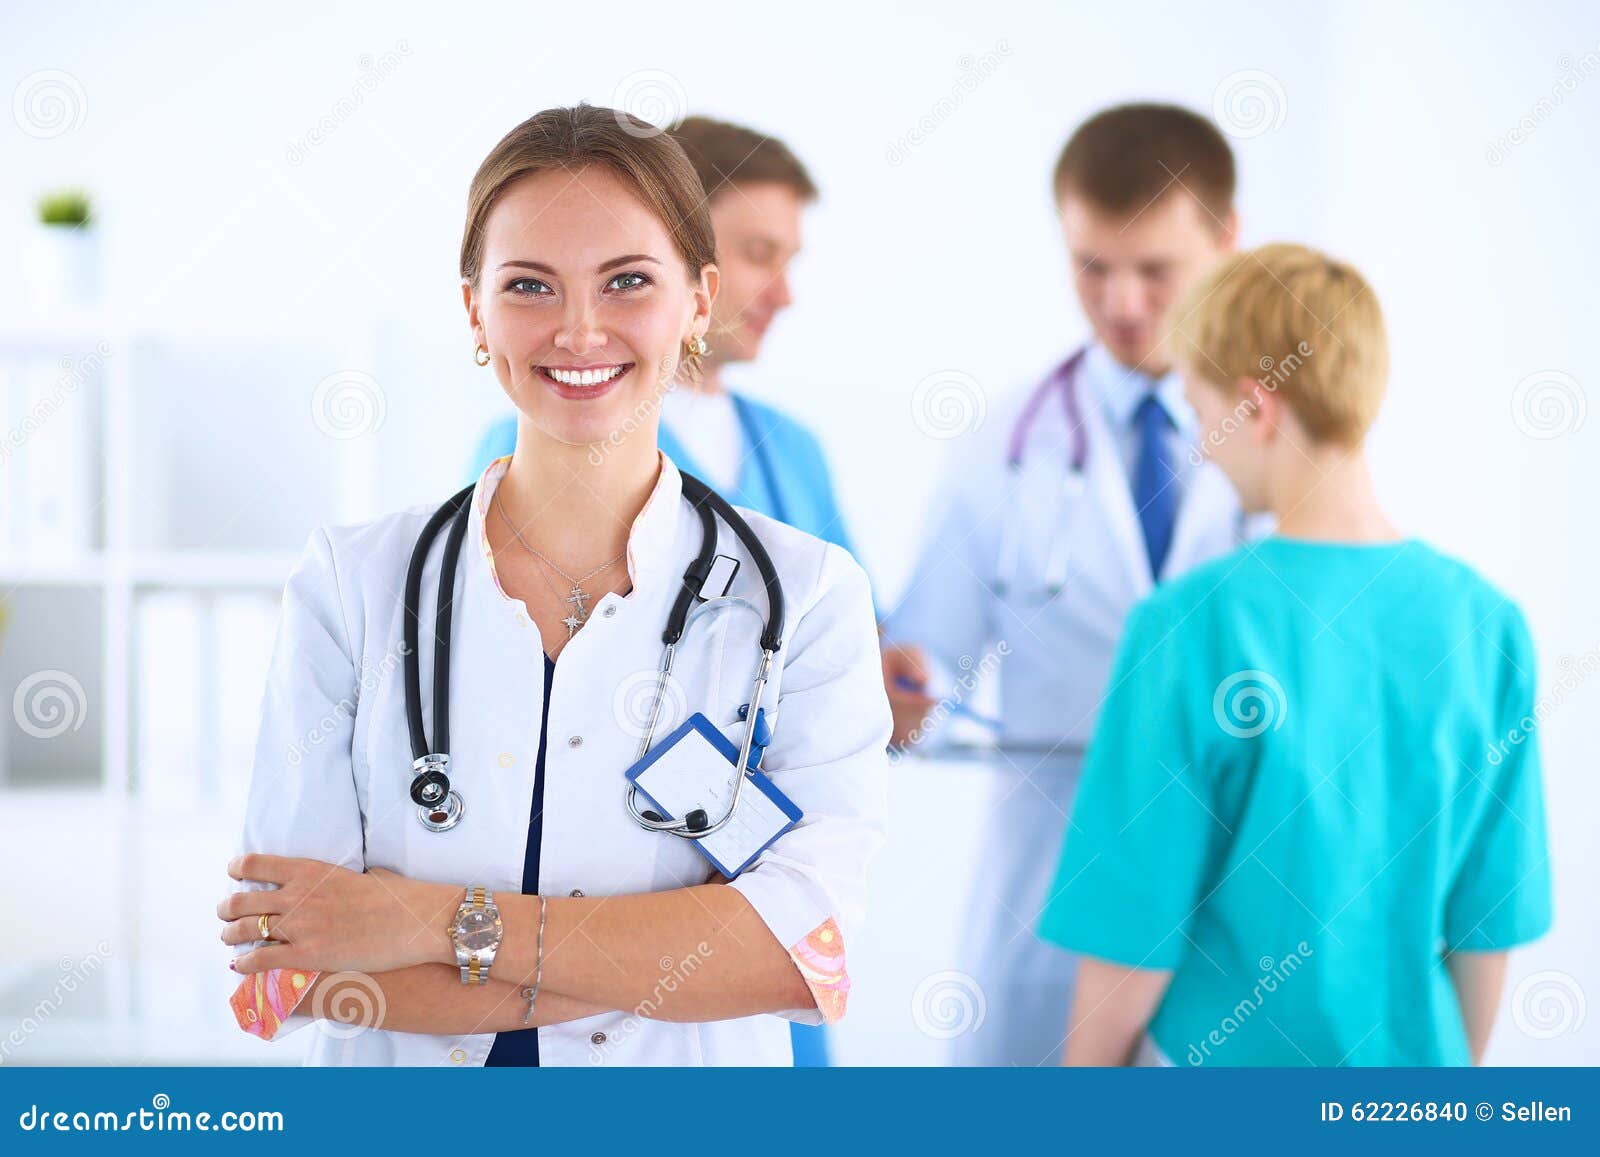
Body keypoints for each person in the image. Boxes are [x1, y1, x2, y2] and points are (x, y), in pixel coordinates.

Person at [216, 104, 890, 1067]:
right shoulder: (352, 587)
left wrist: (421, 919)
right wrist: (669, 955)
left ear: (700, 300)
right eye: (529, 285)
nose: (580, 329)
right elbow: (294, 968)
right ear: (474, 310)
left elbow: (801, 957)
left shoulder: (809, 598)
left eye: (628, 282)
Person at [1039, 243, 1552, 1066]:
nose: (1204, 444)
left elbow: (1131, 936)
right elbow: (1487, 932)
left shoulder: (1187, 626)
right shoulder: (1490, 624)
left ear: (1258, 407)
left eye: (1204, 408)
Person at [880, 104, 1260, 1065]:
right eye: (1093, 266)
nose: (1123, 302)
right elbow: (930, 664)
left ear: (1225, 240)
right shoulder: (1001, 443)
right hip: (1054, 897)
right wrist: (905, 685)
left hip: (1239, 901)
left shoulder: (1283, 435)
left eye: (1155, 270)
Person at [469, 115, 856, 557]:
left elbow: (861, 621)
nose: (784, 295)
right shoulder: (535, 447)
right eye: (757, 254)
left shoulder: (792, 447)